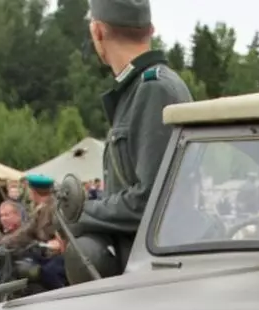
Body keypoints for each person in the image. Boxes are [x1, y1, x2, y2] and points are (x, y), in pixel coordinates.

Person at [72, 0, 192, 277]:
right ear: (150, 29)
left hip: (153, 277)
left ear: (97, 32)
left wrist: (80, 213)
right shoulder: (140, 89)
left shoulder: (153, 89)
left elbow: (152, 200)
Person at [0, 174, 67, 289]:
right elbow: (27, 231)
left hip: (60, 255)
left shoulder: (56, 209)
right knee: (22, 262)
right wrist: (2, 242)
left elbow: (64, 235)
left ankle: (60, 297)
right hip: (44, 253)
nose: (28, 193)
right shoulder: (40, 209)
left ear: (34, 191)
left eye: (29, 190)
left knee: (48, 273)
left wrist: (57, 243)